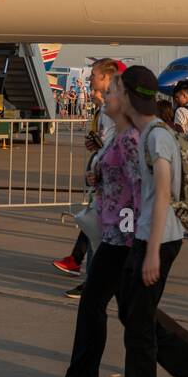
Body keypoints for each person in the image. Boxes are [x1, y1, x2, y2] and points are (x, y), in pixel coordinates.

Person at [117, 65, 188, 377]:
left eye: (117, 90)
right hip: (149, 236)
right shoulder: (150, 132)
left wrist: (153, 252)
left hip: (160, 239)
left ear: (129, 96)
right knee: (129, 311)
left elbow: (162, 193)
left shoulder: (158, 136)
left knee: (138, 329)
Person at [50, 71, 141, 377]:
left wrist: (138, 242)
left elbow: (141, 189)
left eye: (111, 92)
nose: (103, 97)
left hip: (122, 239)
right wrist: (96, 178)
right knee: (125, 311)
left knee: (99, 306)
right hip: (113, 235)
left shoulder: (130, 138)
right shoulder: (118, 135)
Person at [52, 59, 125, 298]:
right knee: (101, 232)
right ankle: (98, 280)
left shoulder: (114, 108)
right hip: (107, 179)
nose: (90, 79)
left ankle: (93, 284)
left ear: (106, 78)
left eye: (94, 75)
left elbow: (120, 145)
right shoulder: (110, 108)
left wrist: (101, 165)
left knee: (100, 233)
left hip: (112, 181)